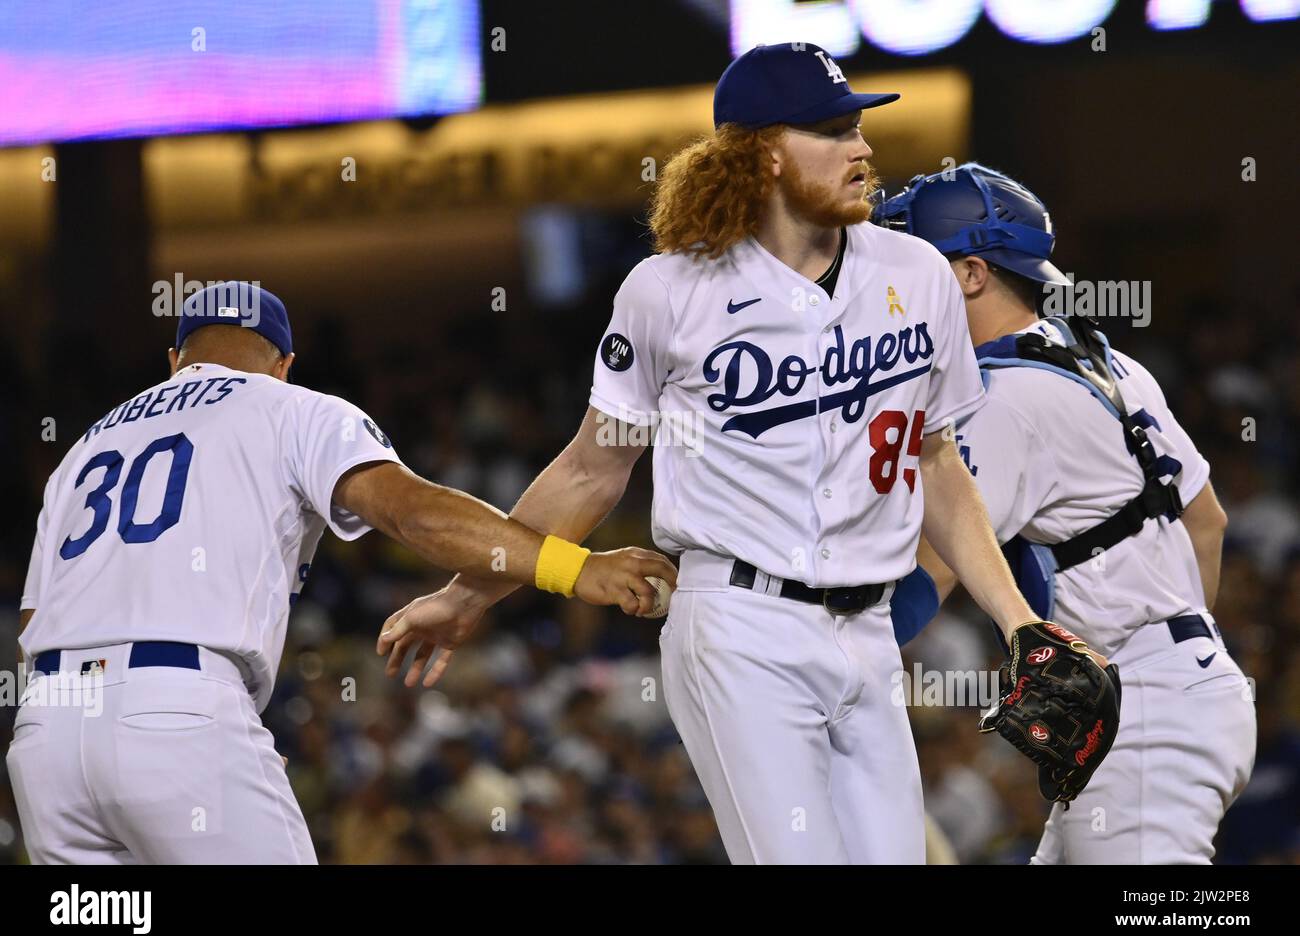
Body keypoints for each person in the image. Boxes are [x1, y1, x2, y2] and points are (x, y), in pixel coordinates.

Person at [378, 45, 1096, 864]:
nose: (862, 148)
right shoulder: (670, 292)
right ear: (762, 153)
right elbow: (592, 468)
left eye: (857, 125)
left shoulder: (917, 272)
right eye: (831, 130)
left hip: (868, 631)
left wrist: (1020, 624)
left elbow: (938, 464)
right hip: (740, 624)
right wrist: (469, 595)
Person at [9, 281, 675, 864]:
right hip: (175, 711)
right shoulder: (291, 408)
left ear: (175, 360)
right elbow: (415, 515)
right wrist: (572, 566)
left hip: (47, 733)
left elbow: (32, 622)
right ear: (285, 363)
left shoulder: (82, 450)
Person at [875, 163, 1256, 863]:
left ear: (970, 274)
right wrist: (1182, 660)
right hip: (1178, 688)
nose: (890, 284)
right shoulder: (1109, 362)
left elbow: (935, 571)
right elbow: (1208, 522)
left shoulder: (997, 398)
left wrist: (828, 657)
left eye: (910, 259)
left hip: (1145, 708)